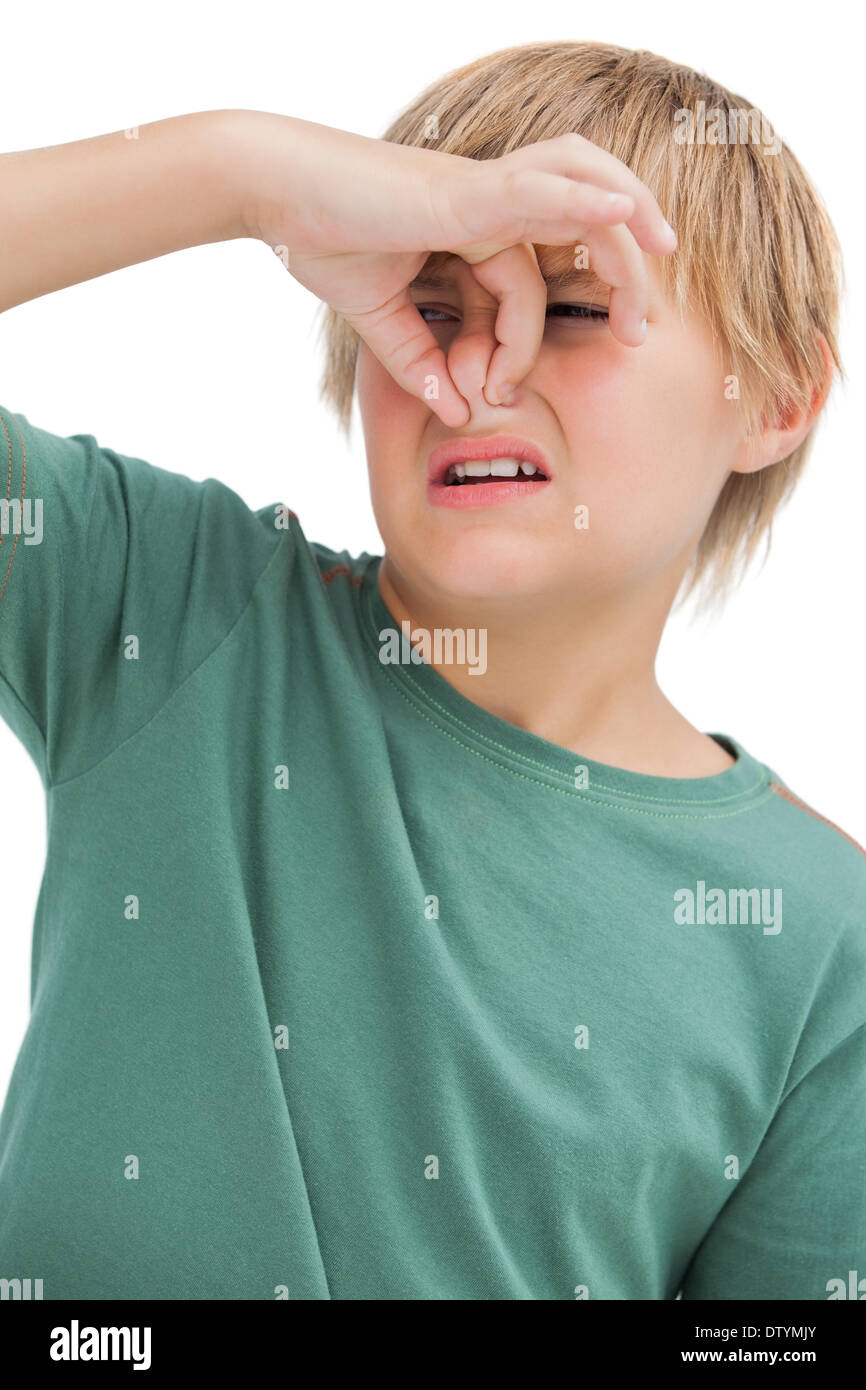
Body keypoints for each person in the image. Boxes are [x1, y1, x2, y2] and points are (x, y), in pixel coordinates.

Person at [0, 39, 863, 1300]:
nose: (476, 373)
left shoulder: (822, 946)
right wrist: (243, 178)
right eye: (427, 304)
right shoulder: (167, 608)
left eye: (567, 310)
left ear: (774, 395)